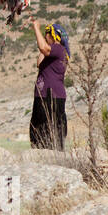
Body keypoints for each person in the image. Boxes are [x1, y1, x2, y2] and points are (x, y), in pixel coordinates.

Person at [29, 17, 69, 150]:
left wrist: (36, 28)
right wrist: (44, 42)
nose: (46, 37)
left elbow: (44, 49)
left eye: (47, 34)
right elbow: (39, 61)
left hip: (51, 96)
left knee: (49, 129)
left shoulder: (58, 48)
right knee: (38, 128)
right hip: (43, 95)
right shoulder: (51, 51)